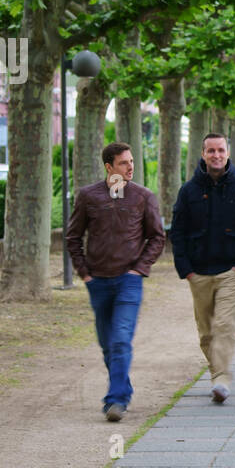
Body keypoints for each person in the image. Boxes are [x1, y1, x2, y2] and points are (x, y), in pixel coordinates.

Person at [66, 142, 166, 422]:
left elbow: (157, 236)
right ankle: (123, 386)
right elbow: (73, 236)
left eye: (132, 161)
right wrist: (84, 272)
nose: (130, 167)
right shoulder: (88, 196)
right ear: (109, 167)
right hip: (97, 280)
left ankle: (116, 400)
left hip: (128, 280)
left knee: (121, 340)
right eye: (124, 163)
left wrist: (139, 269)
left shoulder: (143, 197)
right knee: (108, 344)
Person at [170, 133, 235, 403]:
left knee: (224, 326)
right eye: (211, 150)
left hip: (230, 272)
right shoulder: (188, 191)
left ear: (227, 153)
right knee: (206, 332)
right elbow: (178, 232)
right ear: (203, 154)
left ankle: (221, 380)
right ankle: (216, 373)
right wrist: (185, 268)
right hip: (197, 273)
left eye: (220, 150)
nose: (216, 155)